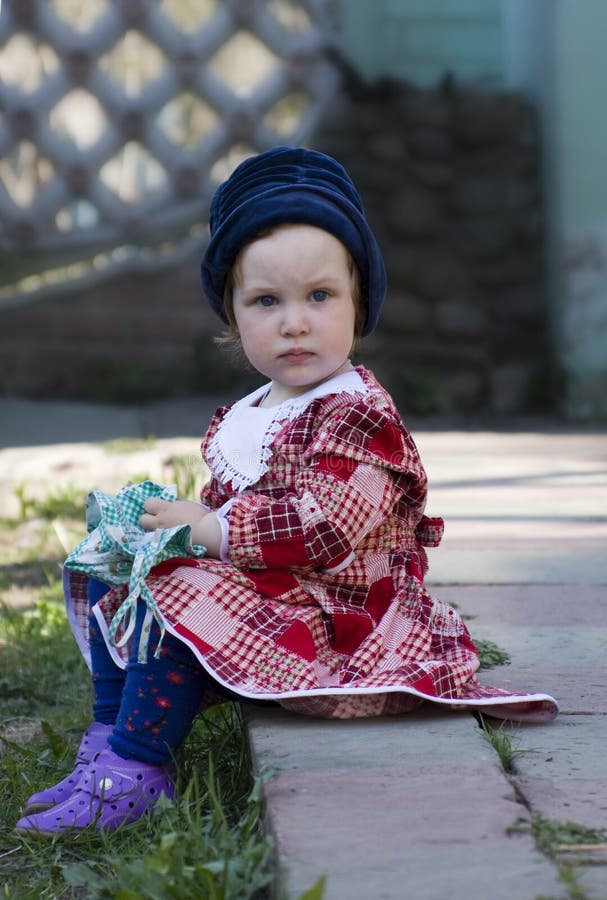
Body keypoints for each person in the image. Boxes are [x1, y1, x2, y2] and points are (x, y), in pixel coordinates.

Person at [16, 146, 558, 836]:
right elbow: (231, 505)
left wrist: (209, 532)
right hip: (280, 596)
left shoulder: (356, 414)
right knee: (120, 565)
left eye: (319, 296)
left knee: (180, 585)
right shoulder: (253, 412)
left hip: (344, 620)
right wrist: (173, 524)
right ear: (232, 317)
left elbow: (323, 528)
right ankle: (108, 746)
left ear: (359, 304)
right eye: (266, 301)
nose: (293, 321)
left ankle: (139, 768)